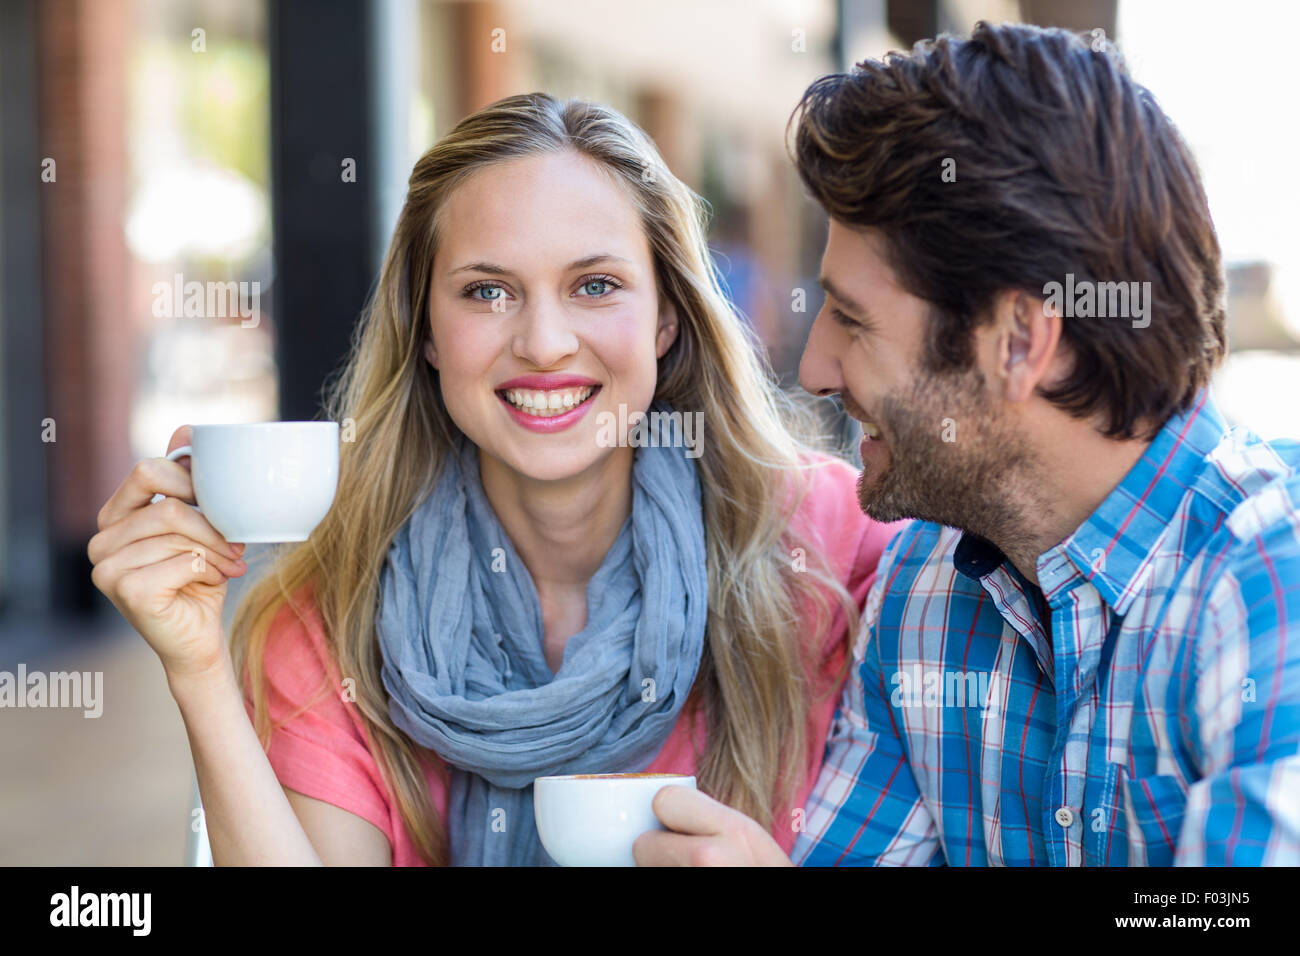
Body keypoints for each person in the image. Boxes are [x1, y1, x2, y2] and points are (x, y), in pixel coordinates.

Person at [87, 92, 902, 866]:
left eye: (595, 285)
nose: (544, 343)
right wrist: (195, 668)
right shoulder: (334, 616)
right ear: (429, 333)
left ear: (666, 316)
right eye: (487, 291)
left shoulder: (835, 546)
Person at [633, 21, 1300, 866]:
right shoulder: (922, 590)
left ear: (1019, 341)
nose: (815, 369)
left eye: (853, 319)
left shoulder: (1268, 578)